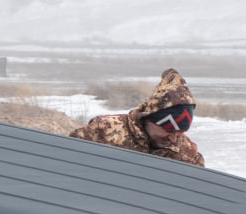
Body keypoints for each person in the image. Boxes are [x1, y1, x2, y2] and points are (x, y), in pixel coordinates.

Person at [69, 68, 205, 166]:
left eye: (180, 133)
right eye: (169, 131)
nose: (174, 139)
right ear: (150, 118)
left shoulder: (188, 154)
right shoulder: (103, 130)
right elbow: (67, 159)